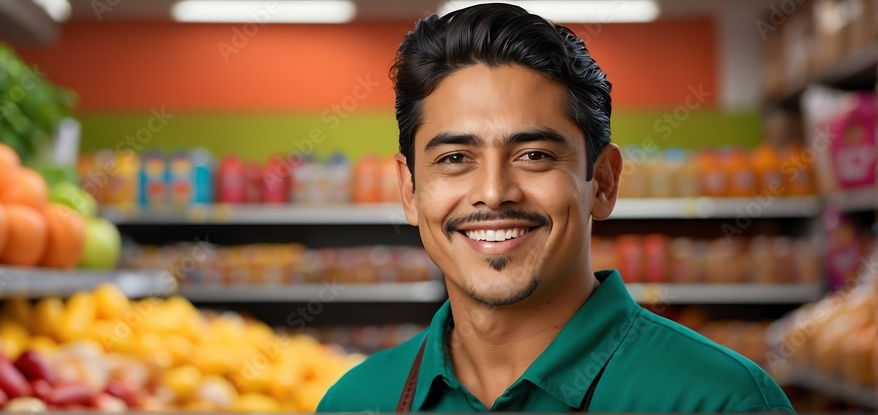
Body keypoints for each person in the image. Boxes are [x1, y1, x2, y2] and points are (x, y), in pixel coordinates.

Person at [316, 3, 794, 413]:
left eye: (534, 156)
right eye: (455, 158)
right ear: (410, 192)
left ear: (603, 182)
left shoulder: (721, 400)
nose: (494, 191)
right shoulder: (354, 399)